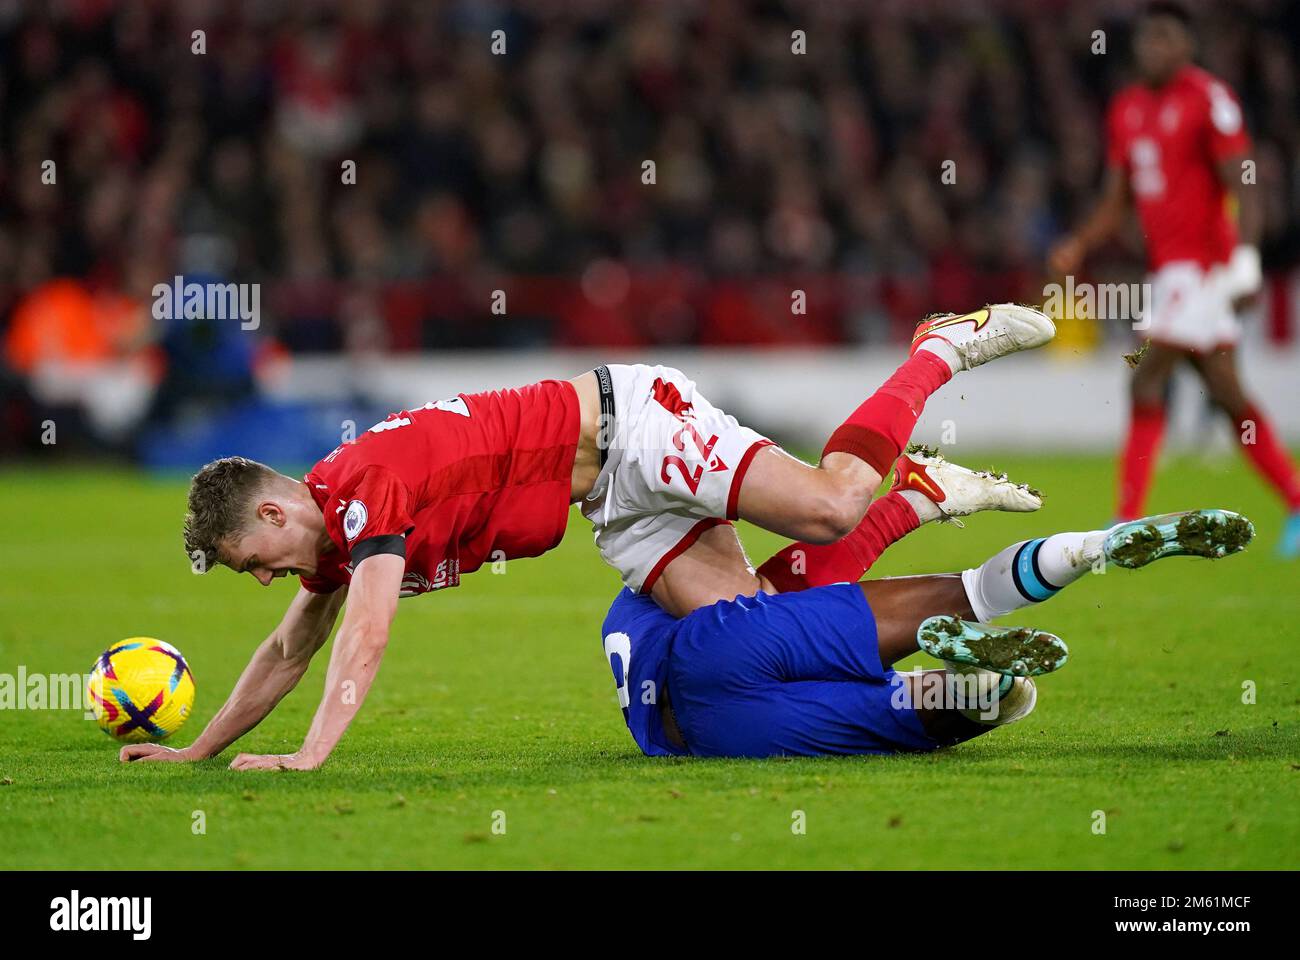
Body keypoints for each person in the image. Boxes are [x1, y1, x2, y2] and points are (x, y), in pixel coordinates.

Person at [121, 304, 1054, 770]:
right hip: (612, 499)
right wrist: (199, 752)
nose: (264, 580)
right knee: (755, 634)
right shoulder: (335, 531)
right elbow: (292, 646)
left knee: (830, 505)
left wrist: (310, 754)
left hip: (635, 429)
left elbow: (364, 633)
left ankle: (935, 349)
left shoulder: (368, 490)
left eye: (254, 562)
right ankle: (924, 516)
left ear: (275, 514)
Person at [1048, 0, 1300, 556]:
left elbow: (1245, 180)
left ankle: (1125, 522)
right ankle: (1296, 501)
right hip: (1168, 273)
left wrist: (1247, 261)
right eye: (1147, 39)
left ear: (1186, 45)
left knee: (1144, 377)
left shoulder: (1208, 99)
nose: (1153, 48)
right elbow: (1117, 199)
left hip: (1205, 269)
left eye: (1165, 38)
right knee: (1228, 394)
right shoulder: (1128, 108)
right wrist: (1081, 243)